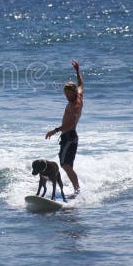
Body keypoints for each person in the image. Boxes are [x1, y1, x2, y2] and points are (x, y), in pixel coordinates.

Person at [45, 60, 83, 196]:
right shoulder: (78, 94)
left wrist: (55, 130)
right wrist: (77, 71)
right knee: (65, 164)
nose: (66, 96)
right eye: (65, 94)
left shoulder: (75, 105)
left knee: (66, 165)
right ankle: (75, 188)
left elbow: (72, 124)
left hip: (70, 137)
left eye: (68, 94)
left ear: (73, 92)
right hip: (67, 137)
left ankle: (77, 191)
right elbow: (81, 84)